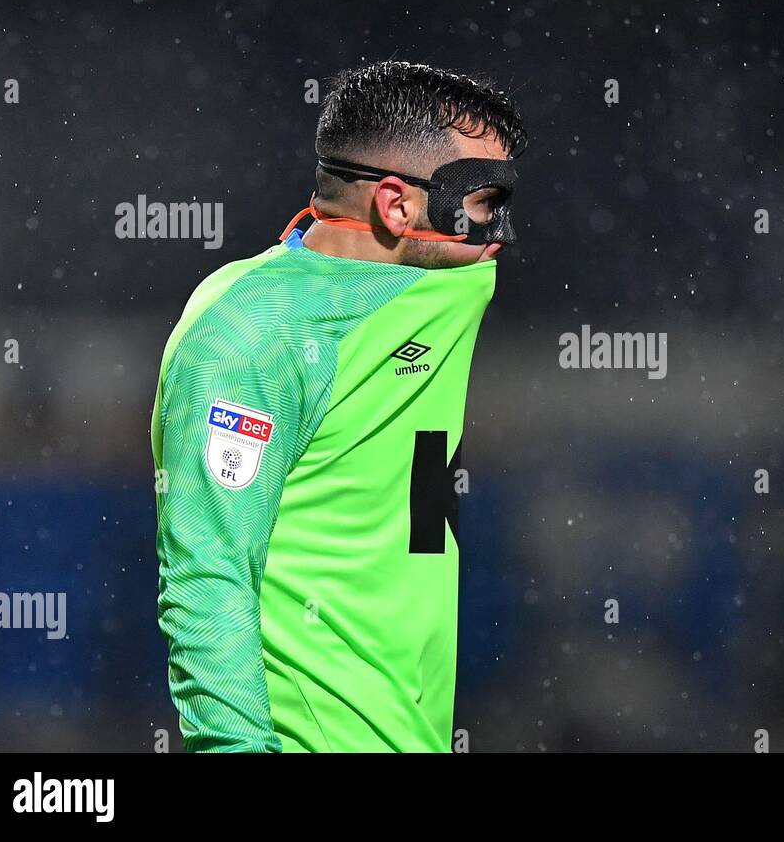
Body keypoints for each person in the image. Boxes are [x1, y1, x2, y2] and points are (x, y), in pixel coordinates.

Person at [150, 60, 527, 752]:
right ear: (395, 204)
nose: (500, 231)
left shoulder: (432, 297)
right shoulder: (251, 336)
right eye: (483, 200)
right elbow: (208, 576)